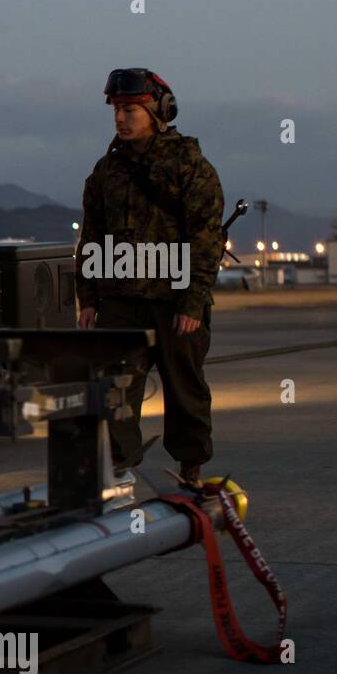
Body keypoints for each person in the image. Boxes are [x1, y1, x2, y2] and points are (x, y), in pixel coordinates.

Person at [75, 69, 225, 485]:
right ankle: (117, 474)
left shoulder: (188, 164)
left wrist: (194, 301)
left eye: (130, 109)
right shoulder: (107, 170)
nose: (121, 119)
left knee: (185, 391)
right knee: (115, 389)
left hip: (176, 300)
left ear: (159, 111)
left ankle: (190, 473)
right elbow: (92, 236)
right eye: (117, 111)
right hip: (121, 301)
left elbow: (205, 237)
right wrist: (87, 297)